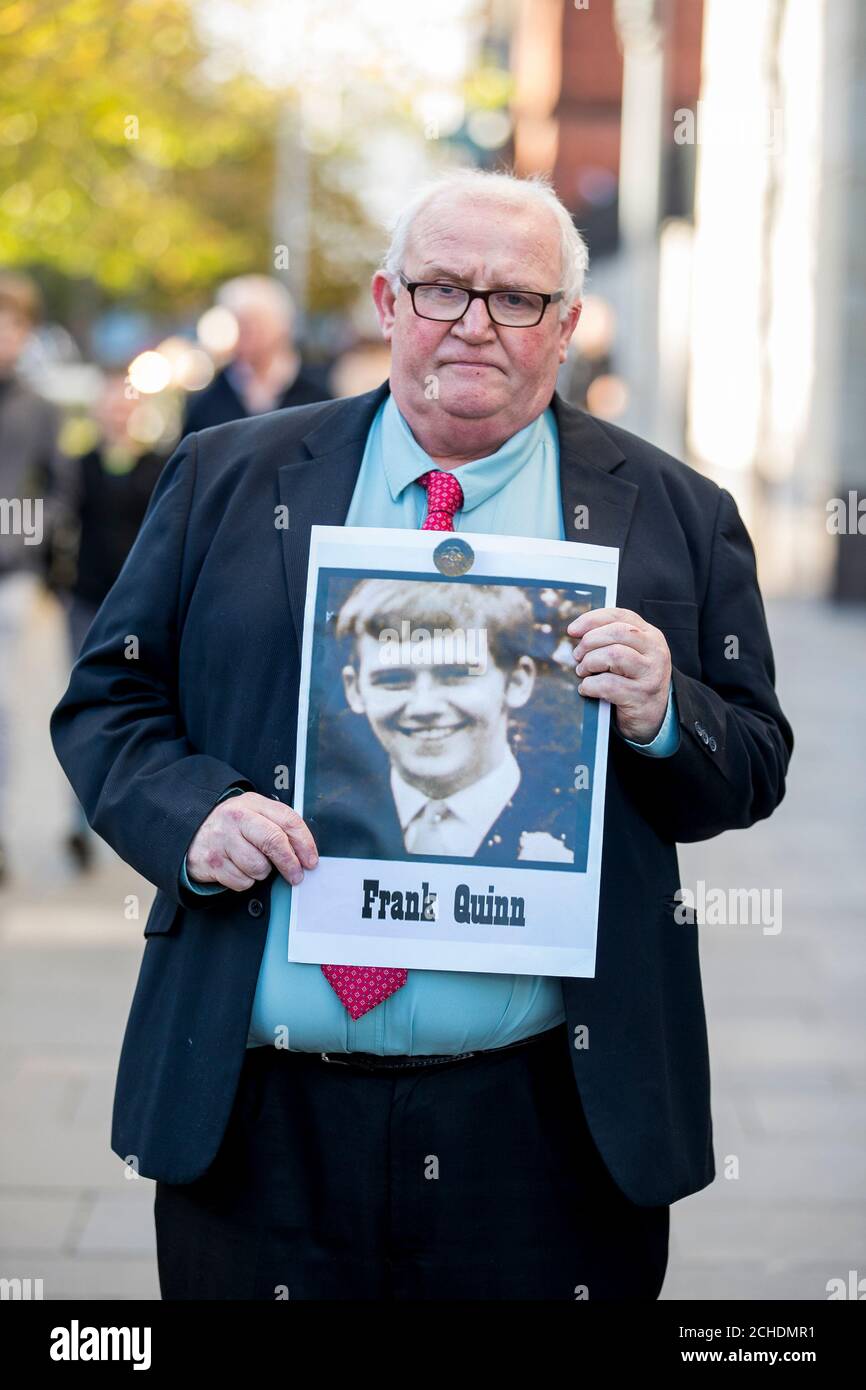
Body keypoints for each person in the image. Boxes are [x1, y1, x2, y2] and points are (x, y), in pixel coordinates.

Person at [50, 169, 793, 1301]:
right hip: (262, 1117)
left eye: (515, 299)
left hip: (544, 1129)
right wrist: (192, 815)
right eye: (442, 288)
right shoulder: (228, 477)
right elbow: (109, 698)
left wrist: (661, 713)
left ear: (567, 325)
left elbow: (748, 761)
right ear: (388, 302)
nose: (474, 324)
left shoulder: (671, 514)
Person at [308, 577, 578, 863]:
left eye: (456, 675)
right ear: (355, 688)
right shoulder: (320, 822)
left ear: (516, 681)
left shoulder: (575, 828)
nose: (424, 706)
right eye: (393, 680)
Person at [54, 371, 167, 869]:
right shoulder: (80, 466)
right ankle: (79, 820)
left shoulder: (160, 464)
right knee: (88, 702)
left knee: (138, 698)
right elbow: (60, 524)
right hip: (87, 600)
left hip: (139, 605)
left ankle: (127, 809)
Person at [0, 271, 63, 885]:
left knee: (3, 712)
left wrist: (27, 541)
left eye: (10, 324)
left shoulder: (41, 409)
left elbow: (57, 489)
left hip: (11, 580)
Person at [181, 275, 330, 435]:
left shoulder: (317, 393)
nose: (248, 330)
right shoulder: (206, 402)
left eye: (257, 320)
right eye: (240, 321)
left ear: (283, 324)